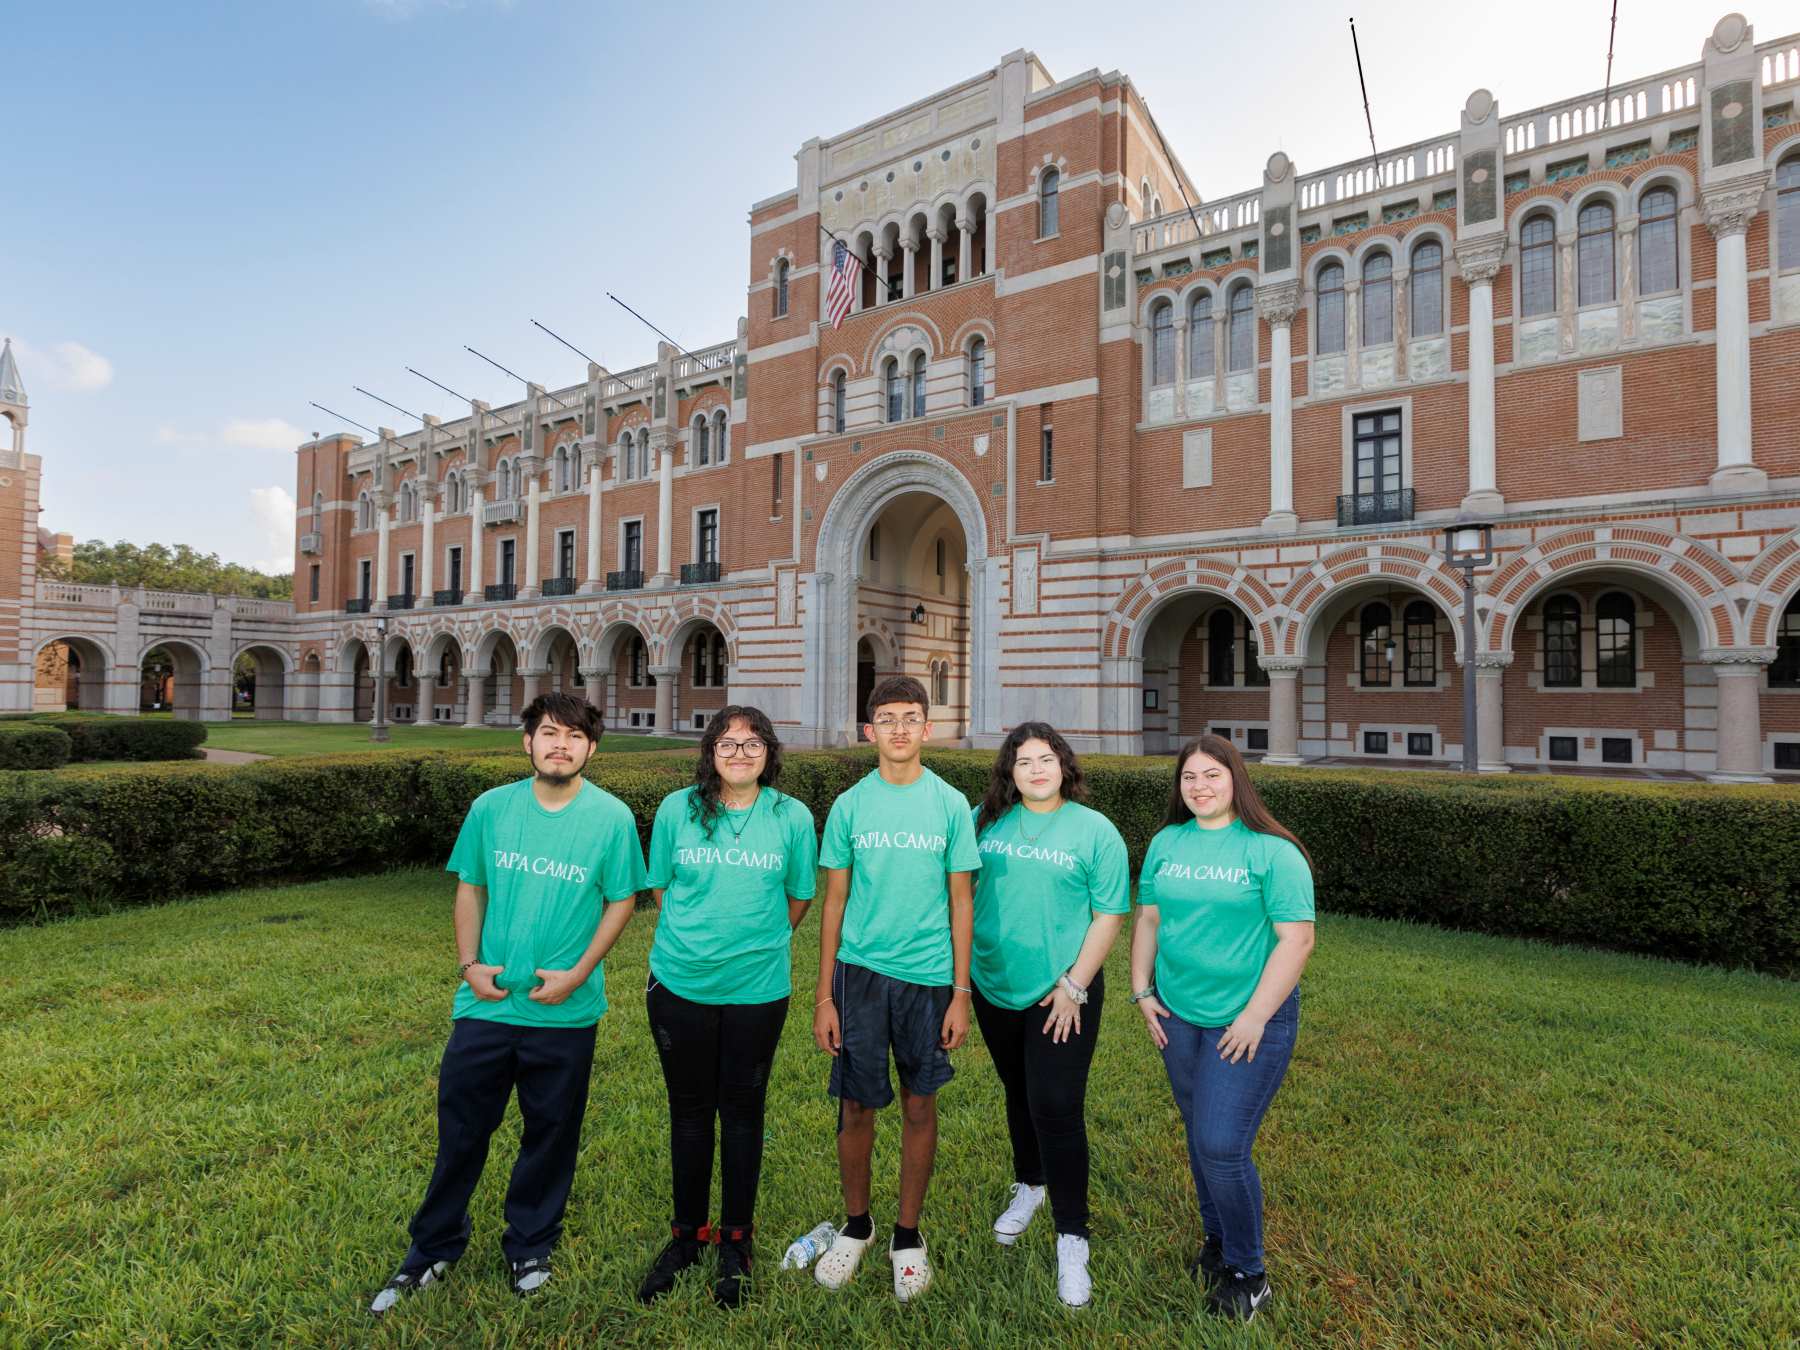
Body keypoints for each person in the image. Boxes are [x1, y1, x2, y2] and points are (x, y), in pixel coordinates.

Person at [369, 692, 646, 1315]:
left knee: (551, 1135)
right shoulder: (491, 809)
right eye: (549, 733)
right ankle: (433, 1249)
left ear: (591, 749)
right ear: (527, 742)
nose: (561, 745)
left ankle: (529, 1246)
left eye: (574, 737)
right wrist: (469, 967)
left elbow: (622, 899)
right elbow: (471, 888)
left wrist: (578, 974)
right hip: (486, 1008)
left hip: (564, 1012)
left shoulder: (611, 818)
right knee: (462, 1134)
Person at [636, 705, 819, 1309]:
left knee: (742, 1115)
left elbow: (798, 898)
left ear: (769, 752)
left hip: (757, 990)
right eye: (728, 743)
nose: (739, 754)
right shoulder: (675, 809)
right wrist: (699, 941)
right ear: (710, 750)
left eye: (752, 744)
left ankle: (735, 1243)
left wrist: (755, 942)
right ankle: (686, 1238)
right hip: (680, 985)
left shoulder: (791, 816)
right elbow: (662, 888)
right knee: (688, 1115)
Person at [1131, 733, 1316, 1324]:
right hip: (1179, 1014)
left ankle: (1248, 1271)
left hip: (1249, 1020)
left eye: (1212, 775)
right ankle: (1216, 1246)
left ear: (1236, 779)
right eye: (1189, 777)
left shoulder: (1272, 851)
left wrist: (1256, 1015)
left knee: (1221, 1144)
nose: (1200, 787)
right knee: (1198, 1134)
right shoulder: (1166, 842)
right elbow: (1150, 918)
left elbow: (1297, 939)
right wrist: (1141, 989)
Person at [810, 674, 980, 1302]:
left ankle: (907, 1235)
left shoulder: (950, 804)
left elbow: (962, 902)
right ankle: (857, 1226)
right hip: (859, 975)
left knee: (918, 1103)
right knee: (855, 1105)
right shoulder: (852, 804)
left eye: (911, 718)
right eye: (887, 718)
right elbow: (834, 901)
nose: (899, 729)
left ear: (928, 729)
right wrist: (825, 994)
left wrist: (961, 992)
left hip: (930, 977)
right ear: (869, 729)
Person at [968, 722, 1129, 1308]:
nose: (1036, 769)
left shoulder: (1095, 831)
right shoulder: (983, 820)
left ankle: (1072, 1236)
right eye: (1024, 761)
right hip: (992, 984)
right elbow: (959, 892)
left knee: (1057, 1106)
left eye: (1047, 759)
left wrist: (1074, 984)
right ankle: (1029, 1186)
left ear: (1065, 765)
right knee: (1019, 1090)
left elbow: (1109, 913)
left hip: (1064, 991)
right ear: (1008, 771)